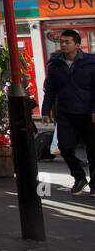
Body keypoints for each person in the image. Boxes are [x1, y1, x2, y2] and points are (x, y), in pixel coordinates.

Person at [41, 29, 95, 196]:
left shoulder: (91, 63)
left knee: (93, 150)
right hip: (65, 113)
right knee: (64, 147)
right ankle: (79, 177)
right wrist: (45, 111)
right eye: (62, 42)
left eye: (67, 42)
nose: (63, 44)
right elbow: (49, 89)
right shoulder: (55, 64)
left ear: (77, 45)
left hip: (88, 113)